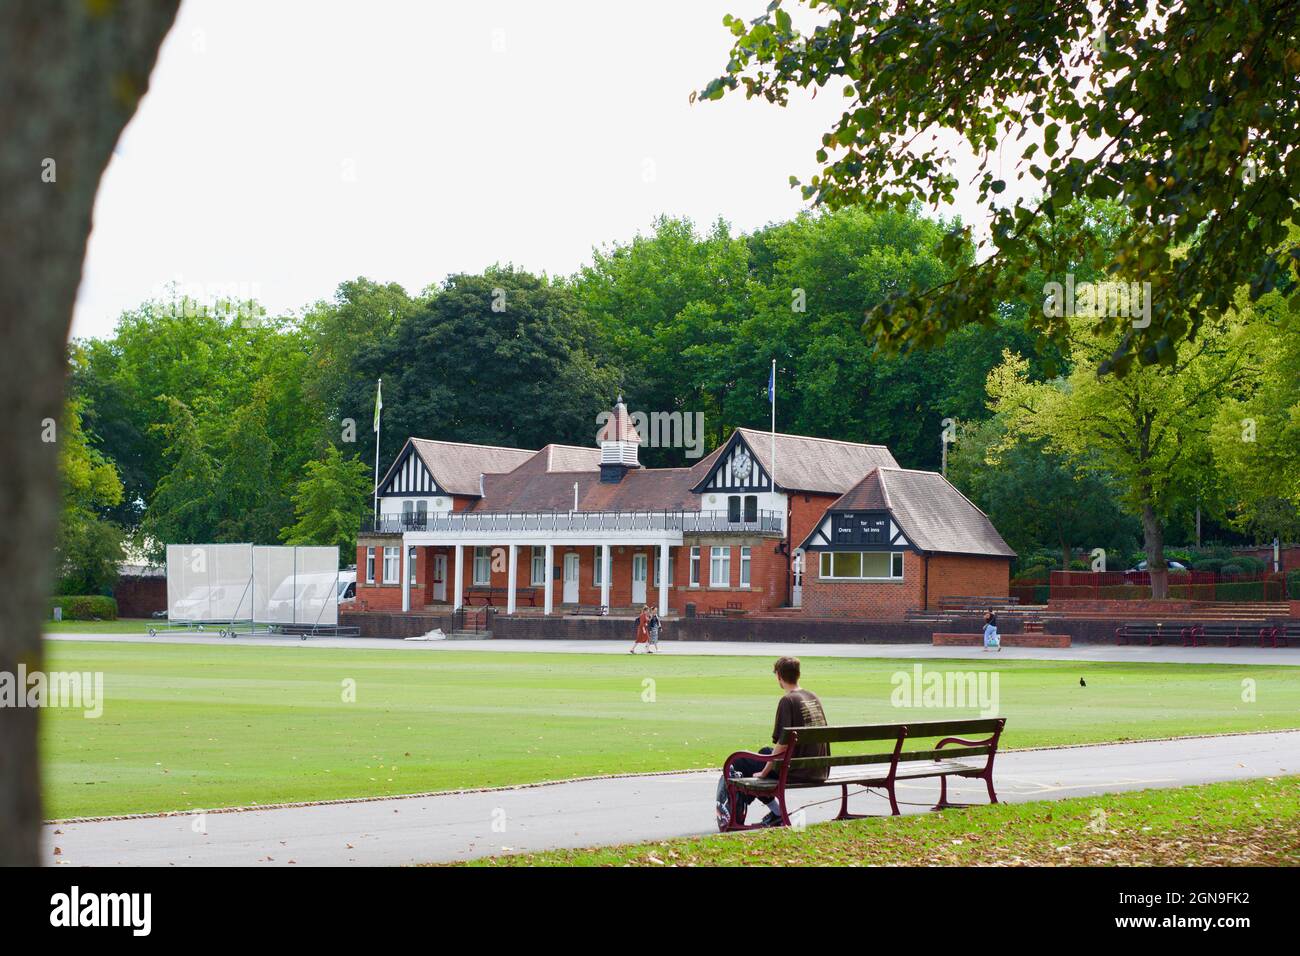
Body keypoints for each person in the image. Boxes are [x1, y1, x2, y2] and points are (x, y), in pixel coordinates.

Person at [726, 656, 830, 827]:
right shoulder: (812, 696)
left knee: (741, 762)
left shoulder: (787, 701)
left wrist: (765, 772)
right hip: (818, 768)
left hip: (797, 771)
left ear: (779, 677)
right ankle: (776, 812)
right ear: (798, 674)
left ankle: (774, 811)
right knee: (764, 752)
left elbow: (782, 745)